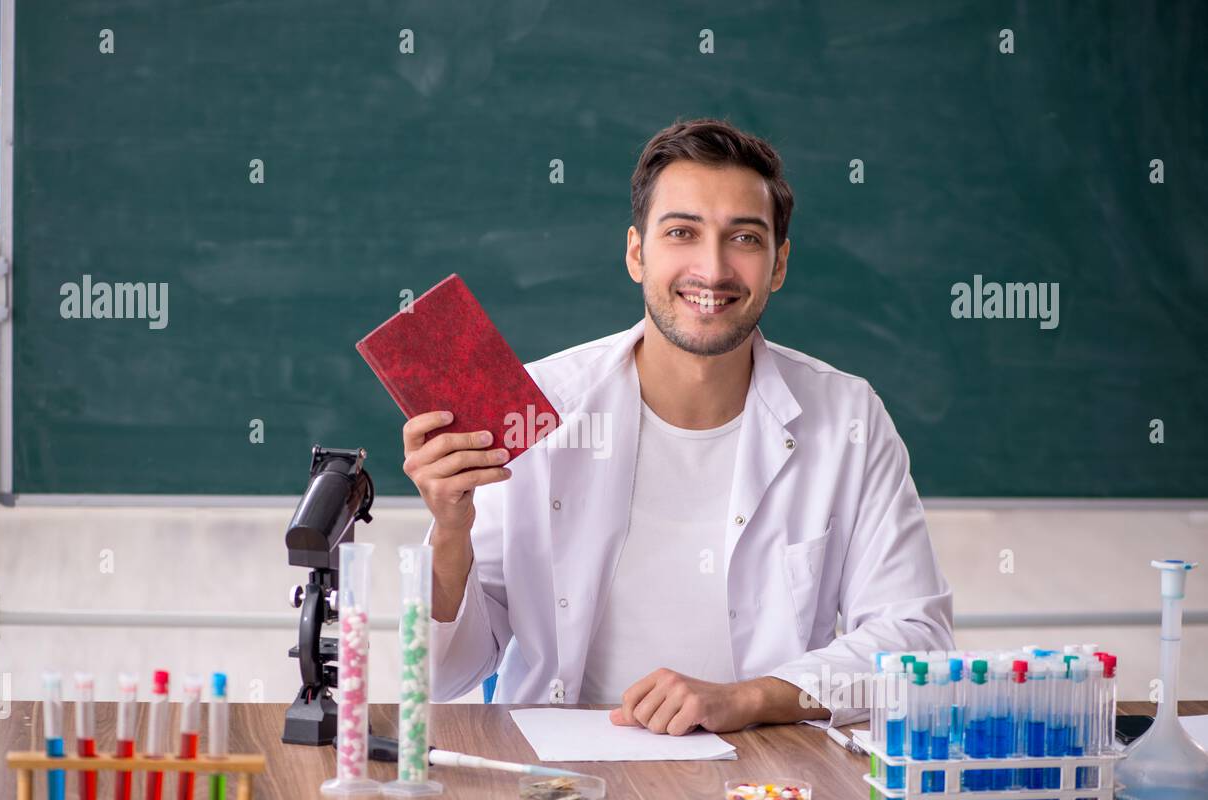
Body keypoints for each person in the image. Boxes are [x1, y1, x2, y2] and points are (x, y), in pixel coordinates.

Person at [402, 117, 953, 734]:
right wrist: (451, 528)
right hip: (561, 775)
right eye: (682, 232)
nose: (712, 270)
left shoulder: (847, 417)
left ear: (778, 265)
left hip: (767, 776)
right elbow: (443, 674)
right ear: (637, 253)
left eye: (744, 238)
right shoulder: (538, 407)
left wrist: (746, 699)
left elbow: (916, 641)